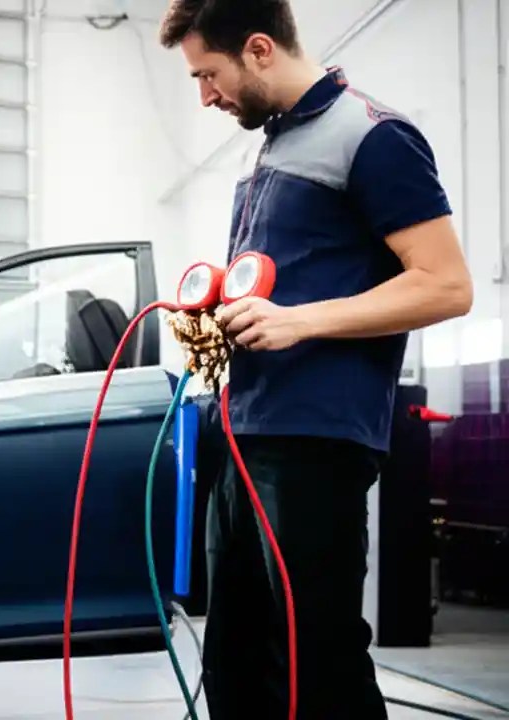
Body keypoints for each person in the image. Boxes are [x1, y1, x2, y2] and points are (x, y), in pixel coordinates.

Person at [157, 1, 473, 718]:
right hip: (244, 432)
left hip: (316, 440)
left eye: (209, 74)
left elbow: (446, 284)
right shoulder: (264, 145)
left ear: (260, 49)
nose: (204, 94)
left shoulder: (374, 136)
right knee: (235, 652)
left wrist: (298, 321)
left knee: (318, 656)